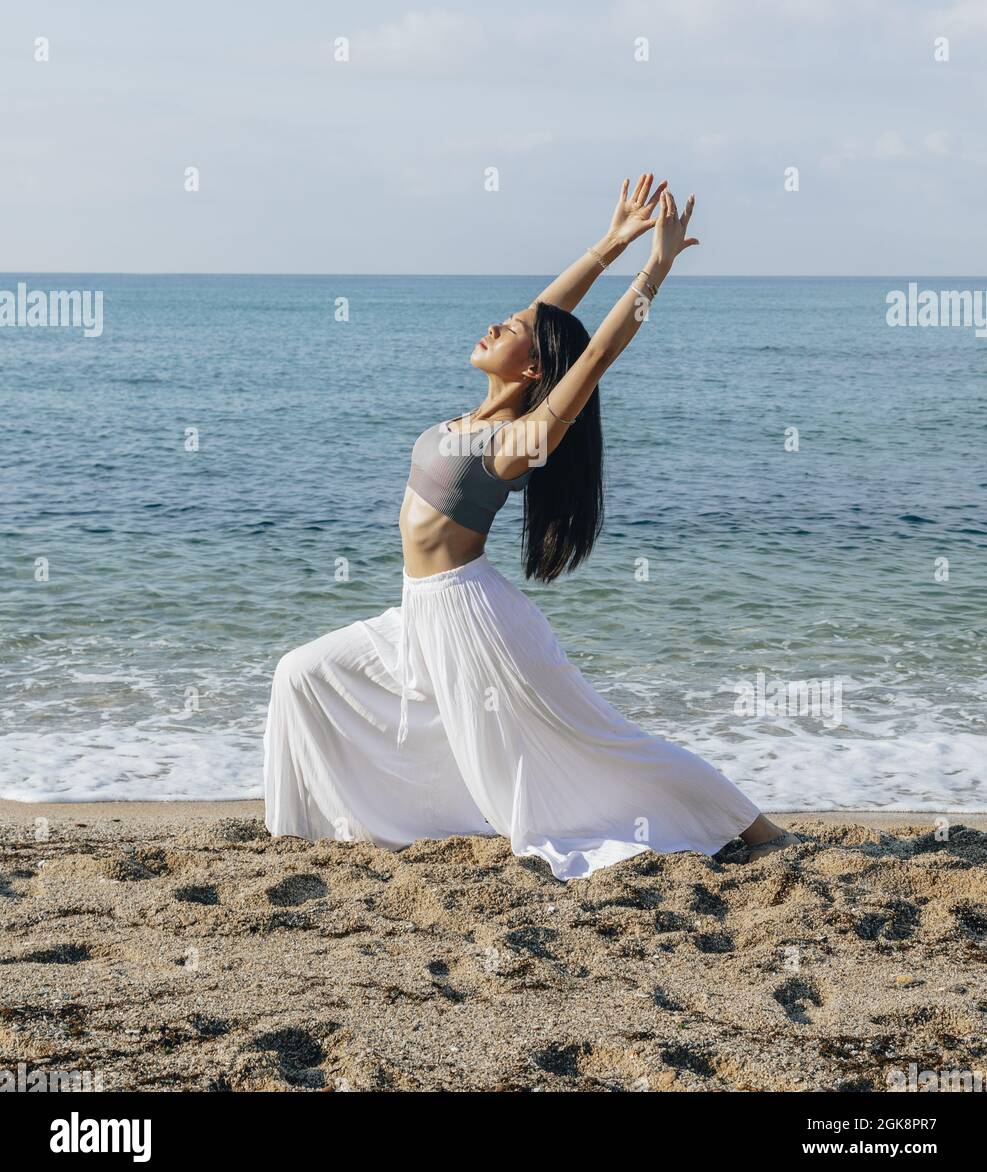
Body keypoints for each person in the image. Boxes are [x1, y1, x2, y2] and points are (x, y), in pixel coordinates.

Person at [264, 174, 801, 880]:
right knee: (301, 675)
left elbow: (596, 354)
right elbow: (550, 312)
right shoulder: (477, 416)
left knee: (596, 741)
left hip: (470, 617)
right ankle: (312, 832)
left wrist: (656, 266)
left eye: (511, 331)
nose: (495, 324)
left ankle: (759, 832)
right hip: (417, 611)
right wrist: (610, 241)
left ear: (537, 365)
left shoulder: (523, 438)